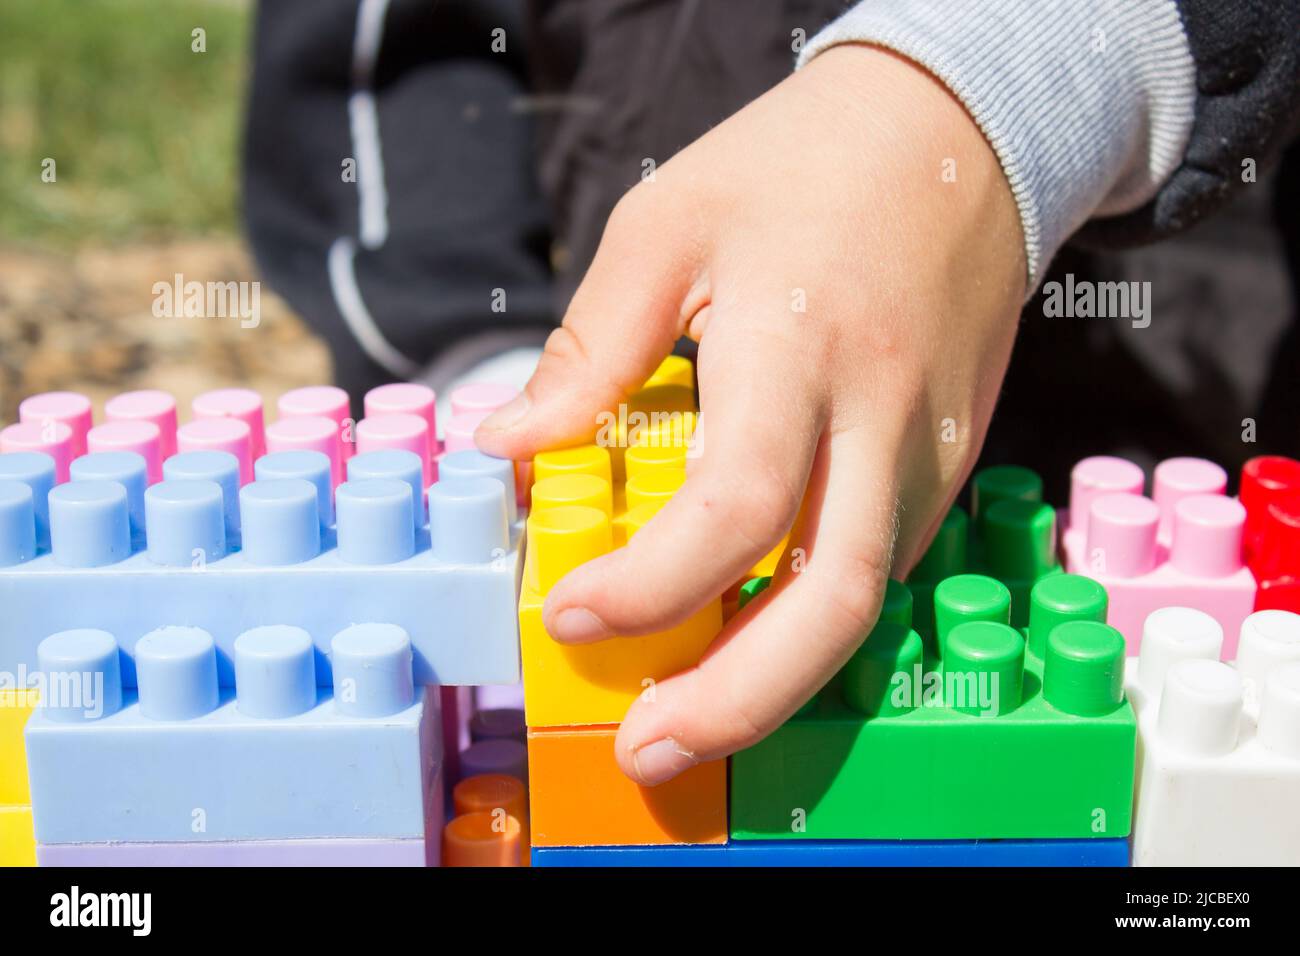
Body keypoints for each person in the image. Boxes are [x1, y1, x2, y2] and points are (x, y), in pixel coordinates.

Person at [246, 0, 1300, 785]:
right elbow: (410, 50)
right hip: (678, 392)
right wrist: (478, 350)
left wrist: (1036, 66)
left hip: (1188, 336)